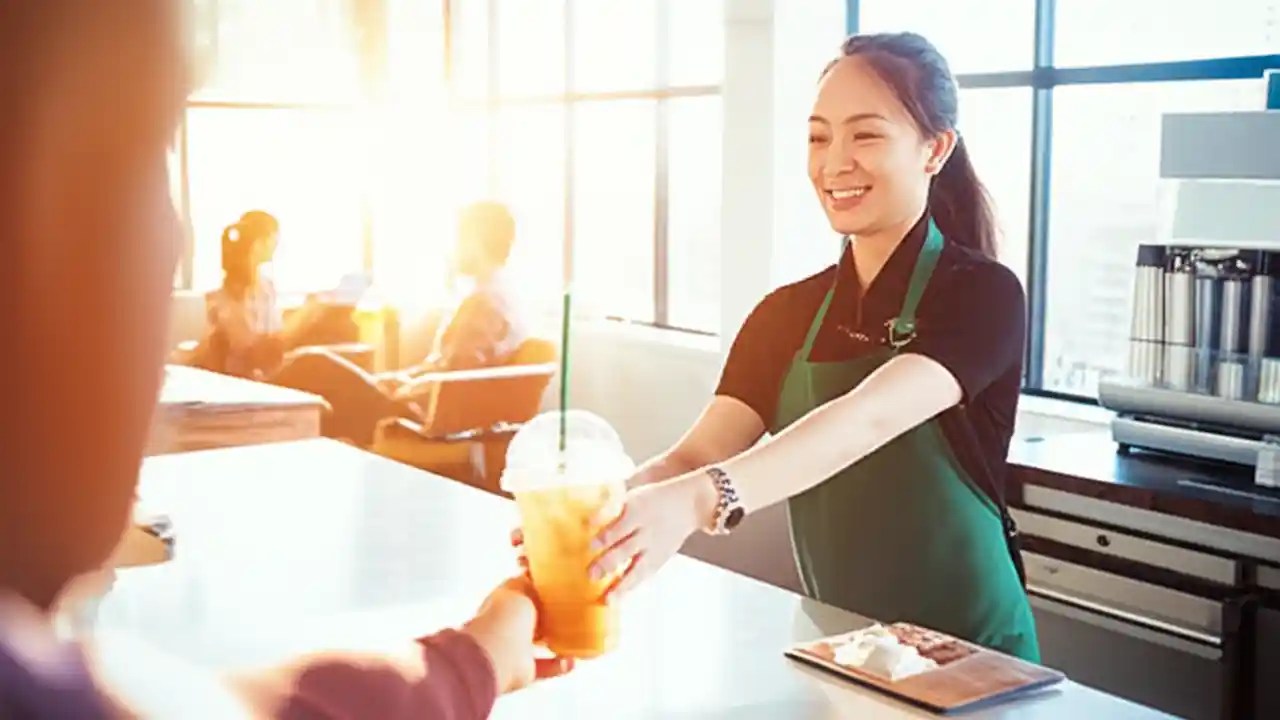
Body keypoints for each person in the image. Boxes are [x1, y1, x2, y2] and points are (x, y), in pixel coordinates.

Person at [0, 3, 567, 718]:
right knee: (321, 369)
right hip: (414, 398)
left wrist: (472, 656)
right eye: (149, 153)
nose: (170, 236)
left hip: (426, 403)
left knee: (322, 371)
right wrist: (470, 660)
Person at [580, 32, 1040, 661]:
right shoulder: (786, 315)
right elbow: (698, 453)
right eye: (819, 136)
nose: (835, 161)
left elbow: (867, 417)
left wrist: (696, 500)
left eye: (866, 135)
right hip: (844, 648)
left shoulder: (982, 295)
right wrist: (604, 511)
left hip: (970, 655)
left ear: (935, 149)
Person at [271, 200, 530, 445]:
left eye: (461, 239)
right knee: (323, 395)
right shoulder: (498, 293)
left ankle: (250, 413)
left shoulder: (485, 302)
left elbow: (455, 383)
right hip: (423, 404)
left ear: (476, 240)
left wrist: (405, 389)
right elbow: (445, 366)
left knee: (312, 364)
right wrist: (401, 378)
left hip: (425, 422)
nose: (455, 248)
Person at [179, 210, 332, 379]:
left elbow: (274, 338)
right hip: (255, 380)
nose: (277, 245)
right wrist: (305, 315)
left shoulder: (266, 288)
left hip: (271, 372)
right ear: (260, 243)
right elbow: (254, 352)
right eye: (274, 238)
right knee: (317, 360)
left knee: (327, 358)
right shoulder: (223, 298)